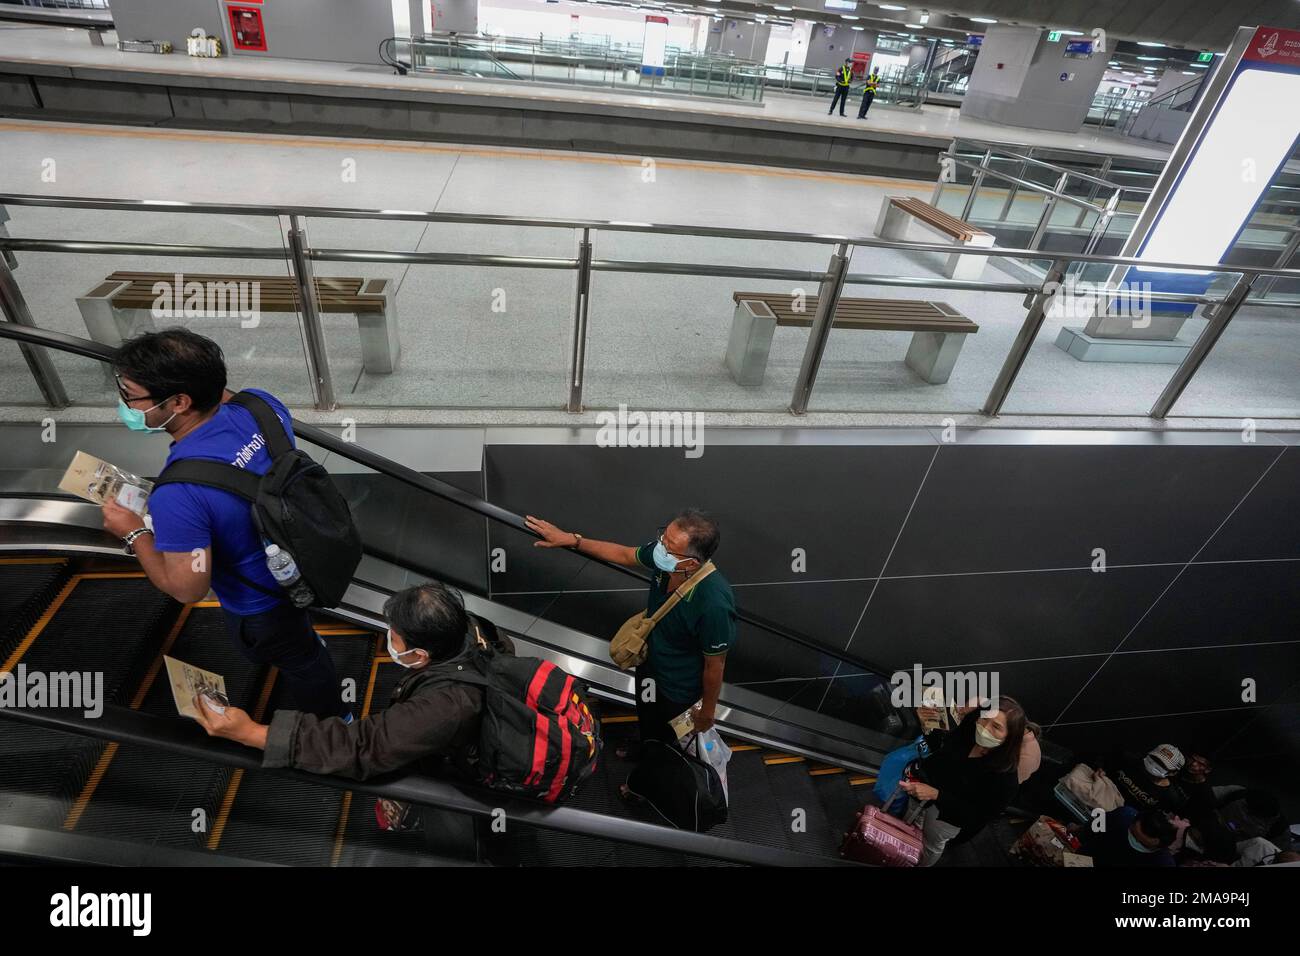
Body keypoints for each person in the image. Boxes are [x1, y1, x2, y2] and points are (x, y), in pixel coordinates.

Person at [101, 329, 348, 720]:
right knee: (298, 642)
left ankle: (335, 722)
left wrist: (134, 531)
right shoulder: (262, 405)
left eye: (131, 397)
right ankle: (308, 647)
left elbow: (188, 589)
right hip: (304, 556)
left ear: (180, 402)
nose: (124, 404)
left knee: (301, 661)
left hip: (262, 606)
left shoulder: (179, 494)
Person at [193, 581, 512, 779]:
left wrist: (253, 733)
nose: (389, 640)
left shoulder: (446, 706)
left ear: (420, 656)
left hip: (461, 766)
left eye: (396, 638)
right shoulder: (472, 627)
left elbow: (364, 747)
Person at [524, 510, 736, 767]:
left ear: (691, 563)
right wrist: (572, 540)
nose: (660, 548)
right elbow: (624, 554)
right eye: (663, 538)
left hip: (679, 689)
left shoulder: (714, 602)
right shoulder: (665, 558)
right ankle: (646, 746)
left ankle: (648, 781)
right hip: (649, 664)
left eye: (669, 547)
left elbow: (716, 665)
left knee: (668, 740)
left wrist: (708, 712)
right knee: (647, 717)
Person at [897, 696, 1026, 866]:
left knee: (931, 843)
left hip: (947, 817)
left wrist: (937, 795)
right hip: (923, 789)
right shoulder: (969, 730)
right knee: (907, 825)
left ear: (1010, 737)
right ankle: (896, 854)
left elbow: (978, 814)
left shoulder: (1005, 779)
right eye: (984, 719)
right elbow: (943, 750)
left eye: (996, 727)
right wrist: (928, 723)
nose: (985, 729)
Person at [1094, 743, 1189, 814]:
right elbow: (1104, 760)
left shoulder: (1169, 796)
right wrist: (1101, 768)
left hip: (1119, 813)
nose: (1155, 764)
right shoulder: (1131, 760)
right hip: (1100, 791)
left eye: (1162, 765)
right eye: (1154, 758)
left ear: (1173, 772)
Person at [1077, 807, 1177, 867]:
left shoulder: (1163, 864)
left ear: (1160, 846)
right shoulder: (1122, 816)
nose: (1135, 842)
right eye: (1133, 834)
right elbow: (1086, 832)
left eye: (1142, 844)